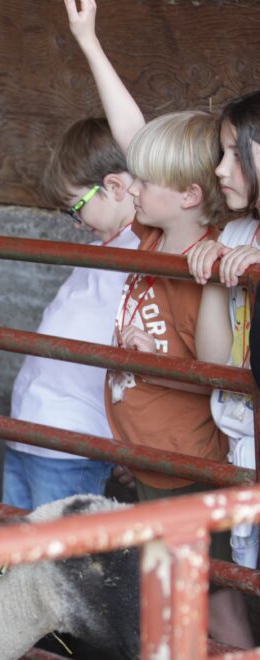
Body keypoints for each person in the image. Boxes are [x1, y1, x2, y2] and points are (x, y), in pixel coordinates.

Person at [67, 0, 259, 660]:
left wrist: (214, 283)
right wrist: (88, 42)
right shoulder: (152, 236)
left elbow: (212, 365)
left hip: (191, 467)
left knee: (217, 604)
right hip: (149, 464)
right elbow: (134, 136)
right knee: (173, 602)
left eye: (144, 181)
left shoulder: (209, 254)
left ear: (185, 195)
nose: (128, 184)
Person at [3, 117, 139, 510]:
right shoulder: (102, 249)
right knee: (14, 540)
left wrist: (135, 441)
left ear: (115, 187)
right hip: (29, 426)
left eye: (76, 208)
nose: (77, 224)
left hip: (73, 439)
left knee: (58, 547)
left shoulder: (146, 249)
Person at [188, 90, 260, 568]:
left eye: (236, 154)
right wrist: (214, 276)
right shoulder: (235, 234)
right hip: (242, 446)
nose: (218, 169)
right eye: (221, 153)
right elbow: (214, 363)